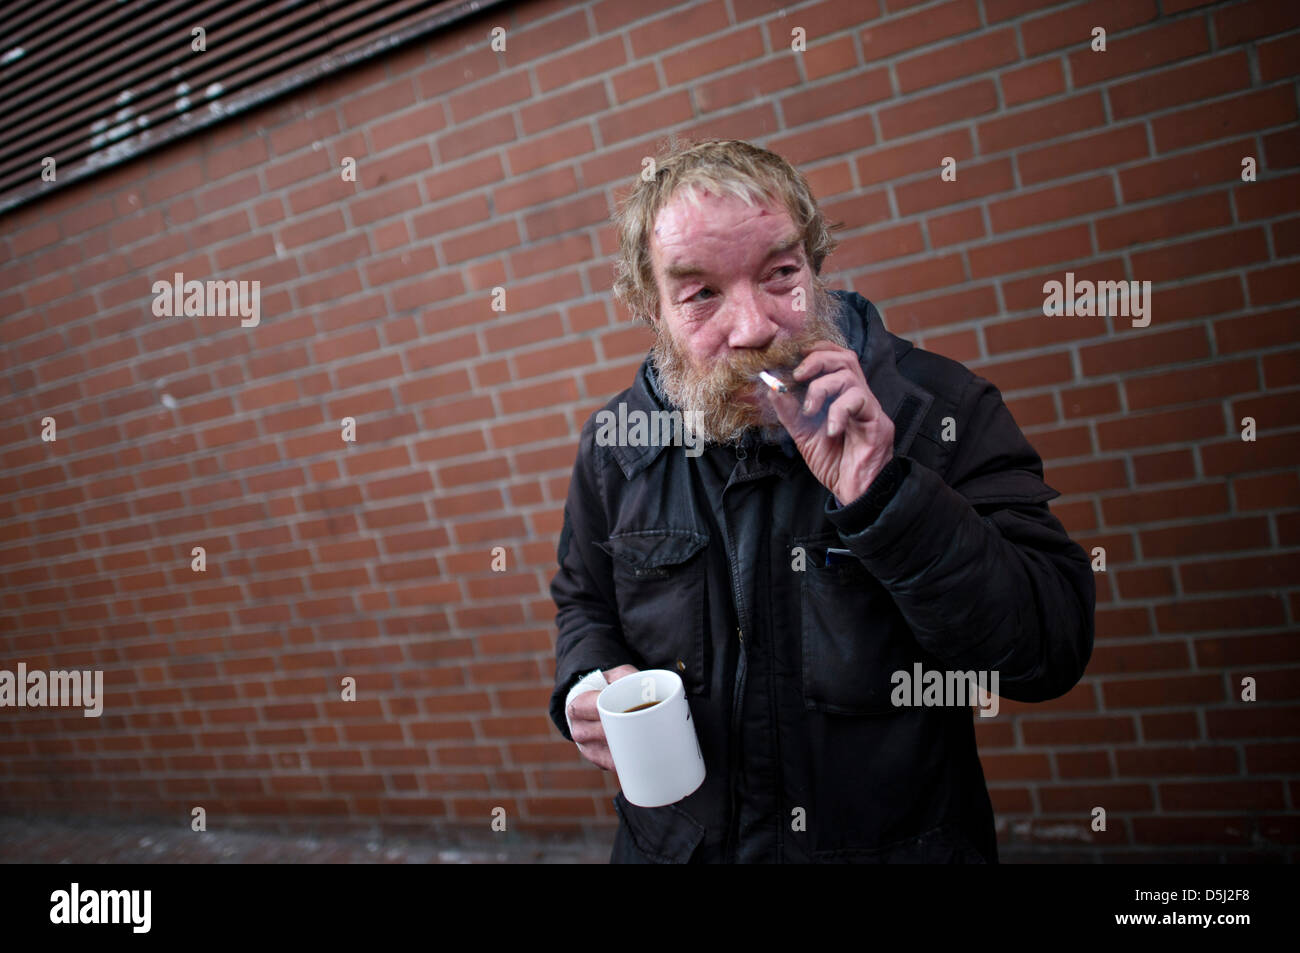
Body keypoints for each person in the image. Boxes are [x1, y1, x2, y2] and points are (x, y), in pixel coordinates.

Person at [547, 138, 1094, 863]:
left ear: (816, 264)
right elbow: (584, 600)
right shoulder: (617, 445)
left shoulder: (940, 409)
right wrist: (589, 680)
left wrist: (885, 495)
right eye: (701, 293)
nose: (755, 329)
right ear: (652, 308)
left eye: (780, 273)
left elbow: (1047, 650)